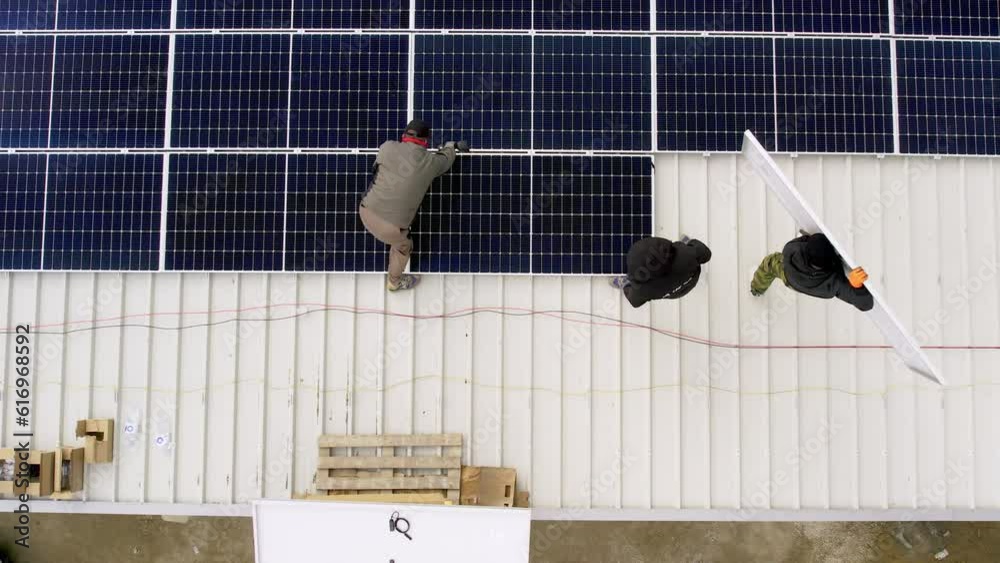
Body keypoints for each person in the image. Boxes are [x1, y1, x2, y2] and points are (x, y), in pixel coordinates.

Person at [359, 119, 468, 291]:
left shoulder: (386, 147)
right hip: (389, 230)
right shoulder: (430, 163)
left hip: (364, 211)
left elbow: (376, 169)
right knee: (404, 245)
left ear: (404, 136)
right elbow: (446, 159)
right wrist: (450, 146)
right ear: (425, 141)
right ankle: (394, 282)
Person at [750, 232, 874, 312]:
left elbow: (798, 242)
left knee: (769, 263)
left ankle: (756, 289)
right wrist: (856, 286)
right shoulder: (835, 284)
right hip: (801, 282)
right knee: (771, 263)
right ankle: (757, 290)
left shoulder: (793, 250)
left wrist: (807, 237)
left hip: (788, 276)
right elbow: (866, 304)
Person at [610, 235, 713, 308]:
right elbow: (706, 253)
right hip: (691, 280)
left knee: (632, 286)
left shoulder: (642, 289)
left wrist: (628, 286)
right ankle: (686, 243)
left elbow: (634, 302)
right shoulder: (686, 254)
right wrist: (691, 245)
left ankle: (624, 283)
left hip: (674, 294)